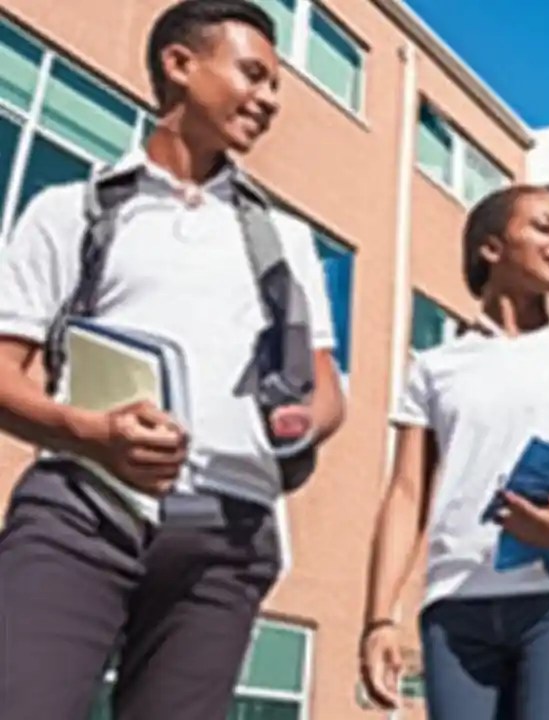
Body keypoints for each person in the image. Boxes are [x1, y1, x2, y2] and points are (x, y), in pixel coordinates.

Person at [0, 1, 345, 717]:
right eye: (255, 74)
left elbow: (328, 392)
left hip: (230, 532)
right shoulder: (72, 211)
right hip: (82, 511)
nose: (271, 100)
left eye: (276, 84)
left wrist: (300, 423)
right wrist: (93, 434)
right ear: (180, 65)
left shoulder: (286, 239)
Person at [359, 184, 549, 718]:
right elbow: (406, 494)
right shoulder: (435, 367)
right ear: (492, 248)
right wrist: (379, 618)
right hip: (457, 607)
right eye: (545, 228)